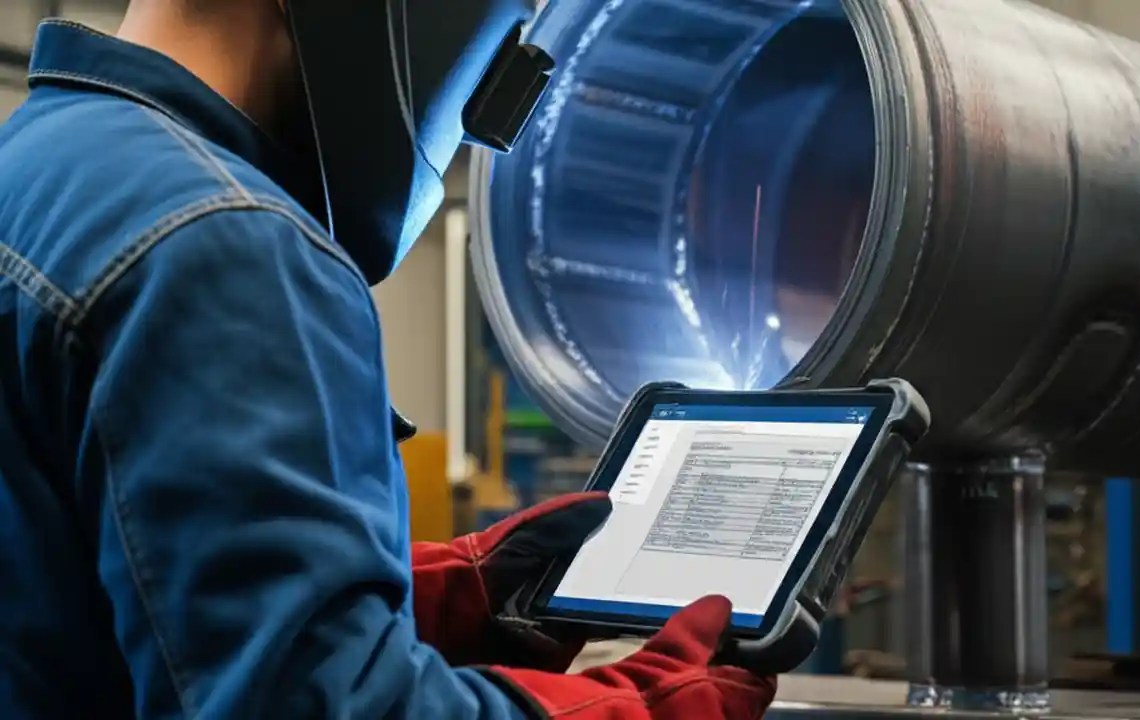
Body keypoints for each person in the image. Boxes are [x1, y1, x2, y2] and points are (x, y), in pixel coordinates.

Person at [0, 1, 777, 718]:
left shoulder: (35, 166)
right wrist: (644, 707)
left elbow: (77, 592)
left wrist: (410, 597)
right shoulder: (225, 240)